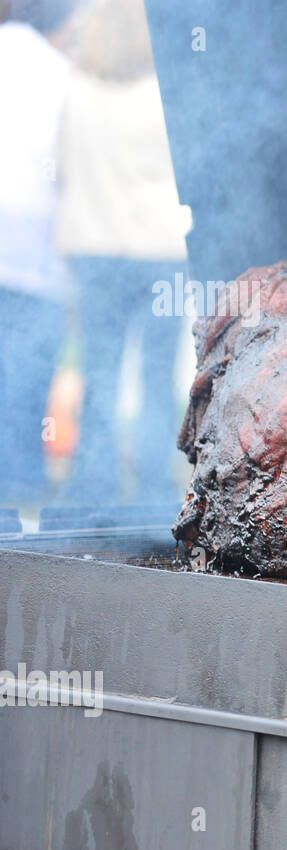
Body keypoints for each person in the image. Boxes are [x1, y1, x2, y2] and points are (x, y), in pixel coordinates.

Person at [55, 0, 192, 506]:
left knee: (99, 369)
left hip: (93, 248)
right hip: (160, 252)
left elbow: (61, 165)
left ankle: (90, 485)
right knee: (158, 376)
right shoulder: (166, 96)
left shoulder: (75, 89)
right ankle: (154, 489)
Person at [0, 0, 73, 505]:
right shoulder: (62, 76)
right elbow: (68, 165)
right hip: (39, 247)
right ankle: (20, 474)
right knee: (28, 366)